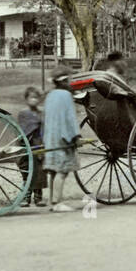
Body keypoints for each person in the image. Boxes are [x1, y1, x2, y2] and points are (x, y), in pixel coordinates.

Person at [43, 70, 79, 212]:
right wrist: (75, 135)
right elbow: (70, 117)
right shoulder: (66, 95)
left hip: (51, 136)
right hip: (63, 136)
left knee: (53, 170)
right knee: (62, 170)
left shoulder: (50, 96)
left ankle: (51, 201)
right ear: (63, 82)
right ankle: (58, 202)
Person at [16, 87, 46, 206]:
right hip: (26, 143)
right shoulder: (23, 113)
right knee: (27, 172)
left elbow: (44, 128)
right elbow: (22, 130)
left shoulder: (41, 112)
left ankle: (38, 198)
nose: (34, 100)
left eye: (36, 98)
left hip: (38, 143)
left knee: (39, 171)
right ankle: (26, 197)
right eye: (31, 98)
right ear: (26, 99)